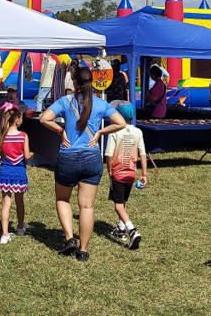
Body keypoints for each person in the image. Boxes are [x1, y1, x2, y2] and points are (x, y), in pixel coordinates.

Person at [40, 67, 127, 262]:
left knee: (63, 199)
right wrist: (99, 134)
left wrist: (60, 131)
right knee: (87, 206)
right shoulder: (100, 103)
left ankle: (70, 238)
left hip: (68, 157)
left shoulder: (65, 101)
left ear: (74, 81)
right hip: (91, 158)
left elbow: (44, 118)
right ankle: (83, 250)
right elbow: (121, 123)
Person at [104, 103, 147, 250]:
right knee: (123, 202)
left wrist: (109, 169)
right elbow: (143, 154)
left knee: (117, 206)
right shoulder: (138, 132)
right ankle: (121, 229)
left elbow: (109, 154)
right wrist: (144, 174)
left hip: (118, 172)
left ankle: (132, 230)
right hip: (131, 173)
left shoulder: (115, 132)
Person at [0, 107, 34, 244]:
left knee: (6, 203)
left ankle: (4, 234)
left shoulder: (2, 136)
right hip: (19, 173)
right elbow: (27, 156)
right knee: (19, 201)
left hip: (5, 172)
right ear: (17, 120)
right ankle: (20, 227)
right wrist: (33, 153)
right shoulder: (23, 136)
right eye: (21, 118)